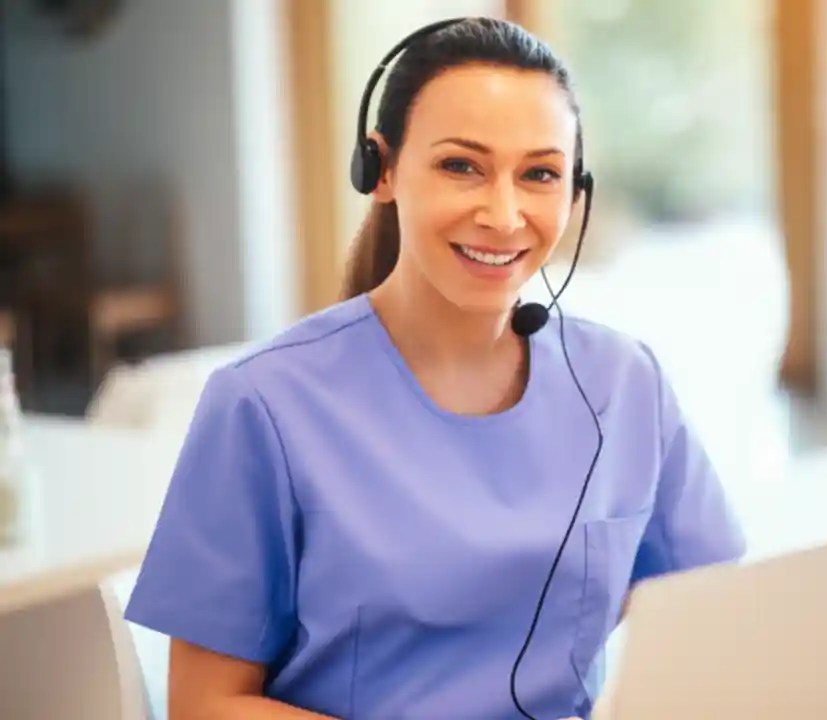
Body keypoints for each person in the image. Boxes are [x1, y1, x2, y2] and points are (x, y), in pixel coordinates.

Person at [124, 17, 745, 720]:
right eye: (461, 166)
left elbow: (716, 622)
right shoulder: (265, 403)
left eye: (539, 173)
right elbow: (205, 706)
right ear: (381, 170)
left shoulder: (625, 382)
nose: (504, 214)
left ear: (576, 193)